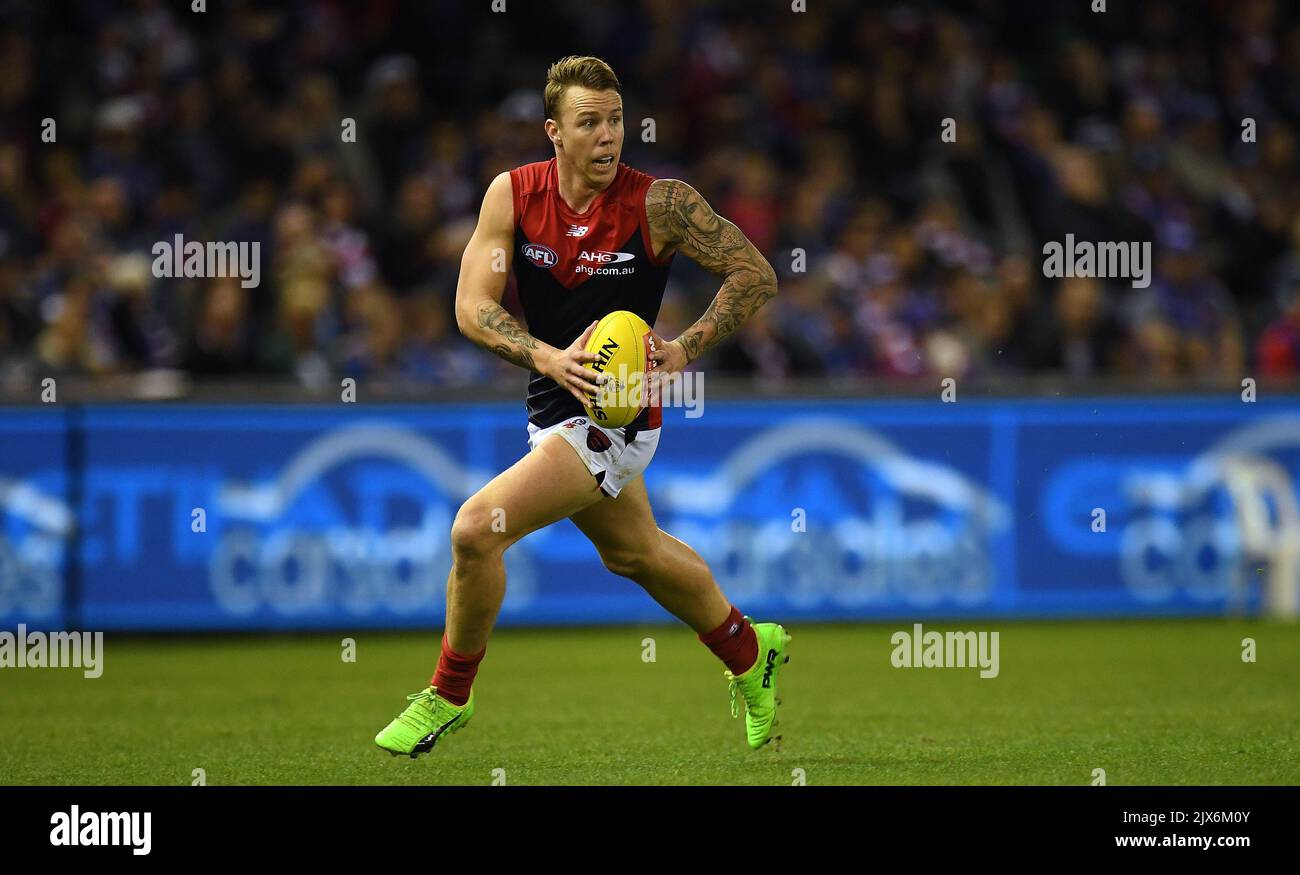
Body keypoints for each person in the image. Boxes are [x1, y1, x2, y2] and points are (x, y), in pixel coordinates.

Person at [374, 56, 789, 757]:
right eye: (588, 122)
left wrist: (684, 348)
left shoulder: (660, 204)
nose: (607, 136)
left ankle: (448, 694)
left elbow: (757, 273)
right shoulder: (512, 194)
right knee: (636, 555)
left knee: (476, 530)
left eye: (616, 121)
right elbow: (471, 308)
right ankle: (753, 650)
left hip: (618, 416)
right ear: (554, 133)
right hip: (551, 403)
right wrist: (546, 357)